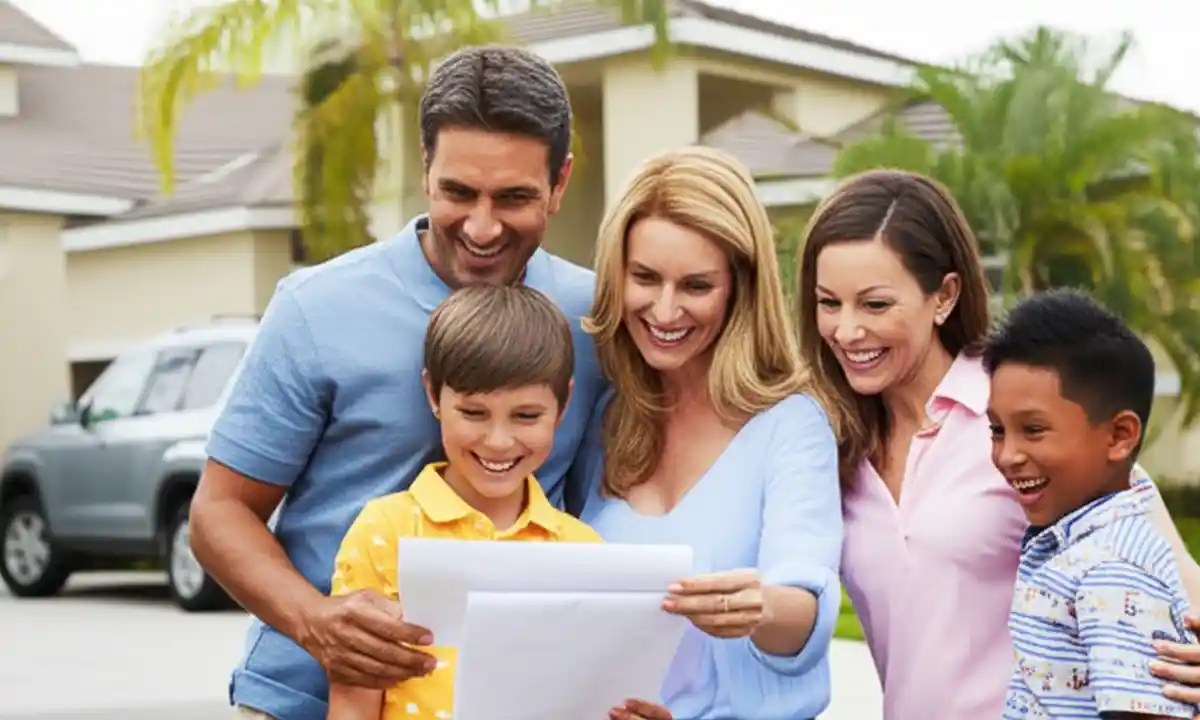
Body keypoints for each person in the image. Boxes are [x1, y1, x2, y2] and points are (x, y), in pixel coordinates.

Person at [189, 45, 609, 720]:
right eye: (458, 192)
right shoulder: (317, 309)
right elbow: (218, 513)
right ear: (425, 168)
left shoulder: (594, 320)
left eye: (514, 197)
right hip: (303, 699)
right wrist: (317, 622)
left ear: (559, 183)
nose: (481, 226)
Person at [794, 169, 1200, 720]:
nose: (846, 330)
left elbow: (1157, 554)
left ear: (944, 296)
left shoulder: (1016, 413)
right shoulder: (829, 444)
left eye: (875, 304)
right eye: (828, 302)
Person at [579, 146, 844, 720]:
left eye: (696, 286)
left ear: (739, 290)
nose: (664, 310)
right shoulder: (603, 417)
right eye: (645, 278)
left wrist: (761, 607)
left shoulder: (790, 424)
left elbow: (807, 600)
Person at [324, 284, 669, 720]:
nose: (499, 441)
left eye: (526, 416)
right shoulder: (386, 531)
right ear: (433, 394)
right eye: (473, 413)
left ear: (563, 404)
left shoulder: (581, 550)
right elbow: (352, 705)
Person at [986, 288, 1200, 720]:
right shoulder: (1070, 548)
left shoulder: (1113, 569)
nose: (1007, 455)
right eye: (997, 430)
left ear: (1120, 436)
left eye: (1033, 430)